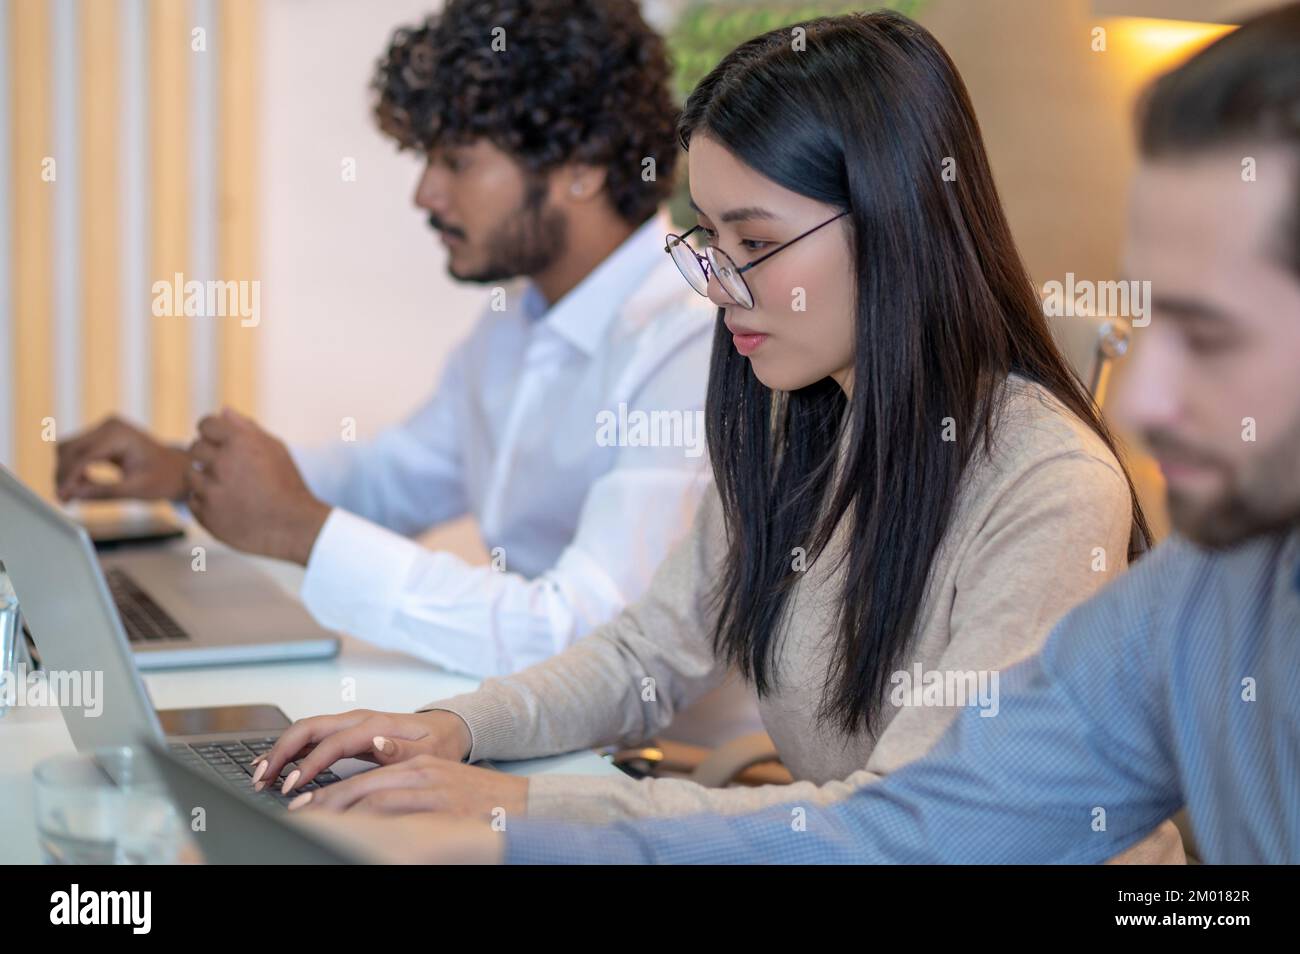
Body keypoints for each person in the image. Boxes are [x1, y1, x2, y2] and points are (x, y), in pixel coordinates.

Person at [254, 10, 1181, 864]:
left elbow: (906, 829)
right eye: (710, 243)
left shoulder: (1049, 487)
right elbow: (645, 653)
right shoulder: (798, 412)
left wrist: (513, 810)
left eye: (756, 244)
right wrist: (450, 730)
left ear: (897, 222)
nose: (719, 288)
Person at [53, 2, 744, 742]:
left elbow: (581, 638)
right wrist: (185, 471)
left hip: (660, 766)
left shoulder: (693, 336)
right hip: (547, 732)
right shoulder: (517, 321)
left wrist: (303, 531)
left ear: (581, 168)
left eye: (456, 160)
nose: (425, 194)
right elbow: (390, 479)